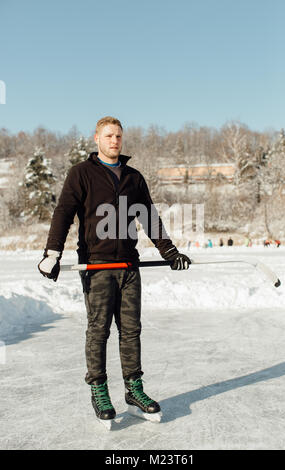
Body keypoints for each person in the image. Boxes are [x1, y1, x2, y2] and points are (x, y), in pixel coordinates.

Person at [37, 116, 191, 425]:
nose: (114, 141)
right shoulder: (81, 174)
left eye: (118, 136)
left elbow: (149, 218)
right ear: (96, 139)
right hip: (97, 266)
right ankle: (98, 388)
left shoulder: (133, 177)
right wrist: (52, 253)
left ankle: (134, 389)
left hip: (129, 266)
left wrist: (170, 252)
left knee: (131, 330)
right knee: (99, 330)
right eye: (108, 135)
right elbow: (64, 212)